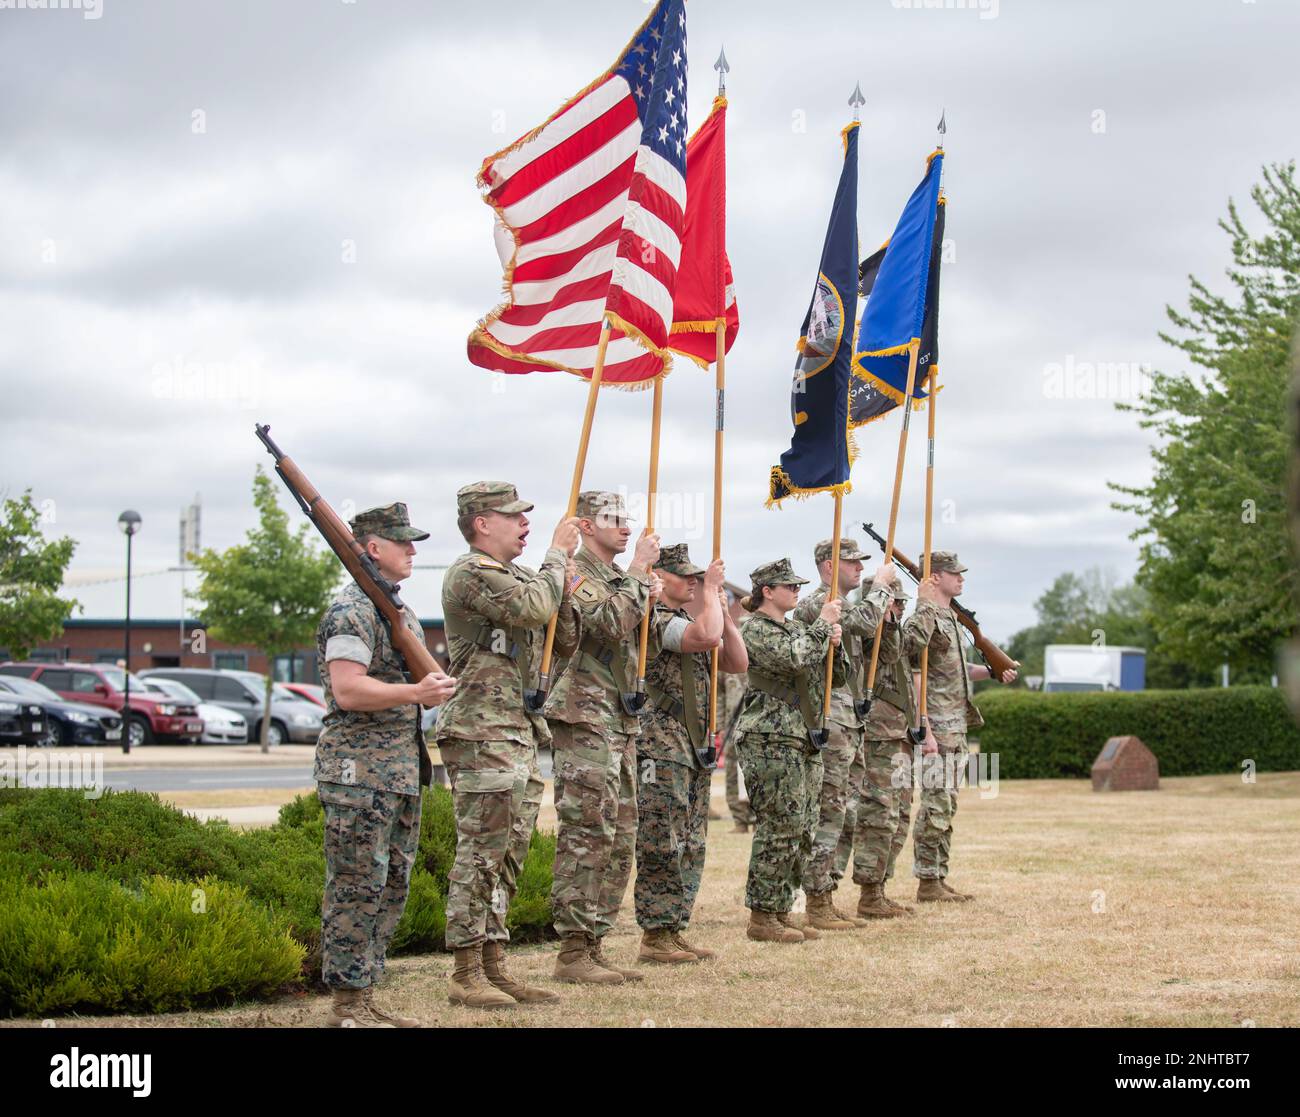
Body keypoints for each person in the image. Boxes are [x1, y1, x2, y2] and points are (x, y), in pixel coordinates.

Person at [436, 482, 581, 1008]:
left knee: (510, 856)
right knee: (480, 853)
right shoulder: (470, 572)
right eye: (513, 516)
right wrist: (558, 559)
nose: (525, 524)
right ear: (481, 523)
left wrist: (562, 580)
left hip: (517, 730)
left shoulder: (523, 576)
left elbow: (561, 637)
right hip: (481, 731)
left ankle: (496, 963)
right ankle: (465, 970)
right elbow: (532, 608)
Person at [315, 502, 458, 1028]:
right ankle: (346, 1006)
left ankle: (365, 993)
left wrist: (430, 691)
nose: (414, 550)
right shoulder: (350, 611)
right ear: (373, 548)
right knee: (356, 884)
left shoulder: (395, 610)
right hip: (358, 774)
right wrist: (416, 691)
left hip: (397, 772)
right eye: (404, 542)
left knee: (391, 883)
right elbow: (348, 689)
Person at [545, 490, 660, 984]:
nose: (626, 526)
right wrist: (637, 570)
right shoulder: (575, 573)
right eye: (614, 519)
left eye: (627, 518)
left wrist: (643, 587)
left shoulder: (620, 579)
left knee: (620, 834)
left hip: (620, 719)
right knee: (588, 829)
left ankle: (594, 941)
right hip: (584, 716)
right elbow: (610, 621)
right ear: (586, 526)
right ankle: (571, 950)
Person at [635, 544, 748, 964]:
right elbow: (703, 637)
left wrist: (720, 608)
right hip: (659, 745)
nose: (694, 583)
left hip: (691, 745)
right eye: (686, 576)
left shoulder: (692, 617)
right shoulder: (655, 619)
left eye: (697, 577)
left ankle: (675, 926)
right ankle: (655, 933)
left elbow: (737, 663)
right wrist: (713, 598)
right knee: (661, 840)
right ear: (659, 577)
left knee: (690, 841)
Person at [734, 558, 843, 944]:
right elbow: (793, 658)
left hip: (804, 736)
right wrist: (821, 626)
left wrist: (834, 644)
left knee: (802, 828)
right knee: (779, 826)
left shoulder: (797, 628)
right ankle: (762, 916)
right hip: (770, 738)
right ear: (768, 591)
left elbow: (836, 677)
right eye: (790, 586)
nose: (797, 591)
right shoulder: (755, 629)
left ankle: (781, 909)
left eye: (798, 586)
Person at [793, 538, 896, 931]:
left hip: (849, 717)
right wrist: (882, 586)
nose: (859, 568)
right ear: (828, 565)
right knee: (830, 810)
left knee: (846, 810)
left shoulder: (846, 604)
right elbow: (865, 623)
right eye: (851, 562)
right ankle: (815, 897)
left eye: (861, 563)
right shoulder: (819, 602)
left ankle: (827, 892)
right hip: (828, 717)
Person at [905, 551, 1018, 901]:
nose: (961, 578)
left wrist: (993, 671)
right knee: (935, 805)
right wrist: (925, 728)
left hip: (955, 725)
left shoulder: (951, 619)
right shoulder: (926, 617)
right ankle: (927, 880)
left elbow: (957, 669)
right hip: (938, 727)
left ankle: (938, 875)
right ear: (934, 578)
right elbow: (914, 664)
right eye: (954, 573)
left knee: (948, 804)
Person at [844, 576, 924, 918]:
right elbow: (887, 652)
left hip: (898, 732)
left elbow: (907, 646)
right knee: (879, 813)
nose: (901, 608)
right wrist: (884, 612)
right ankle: (870, 892)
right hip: (879, 733)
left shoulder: (893, 632)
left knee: (899, 814)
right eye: (896, 602)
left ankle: (880, 886)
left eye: (904, 604)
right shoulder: (871, 634)